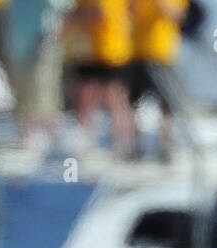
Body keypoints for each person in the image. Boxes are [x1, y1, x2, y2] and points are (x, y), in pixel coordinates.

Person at [63, 0, 135, 157]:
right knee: (85, 95)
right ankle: (86, 141)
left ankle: (124, 144)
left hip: (111, 48)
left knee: (114, 96)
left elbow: (99, 13)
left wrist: (73, 18)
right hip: (89, 50)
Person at [8, 0, 75, 150]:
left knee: (45, 90)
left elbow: (65, 5)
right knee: (23, 91)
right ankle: (26, 136)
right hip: (18, 45)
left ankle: (52, 138)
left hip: (43, 40)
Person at [128, 0, 189, 162]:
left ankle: (166, 147)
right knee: (134, 103)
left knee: (166, 105)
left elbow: (179, 16)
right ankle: (137, 147)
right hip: (136, 53)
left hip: (163, 55)